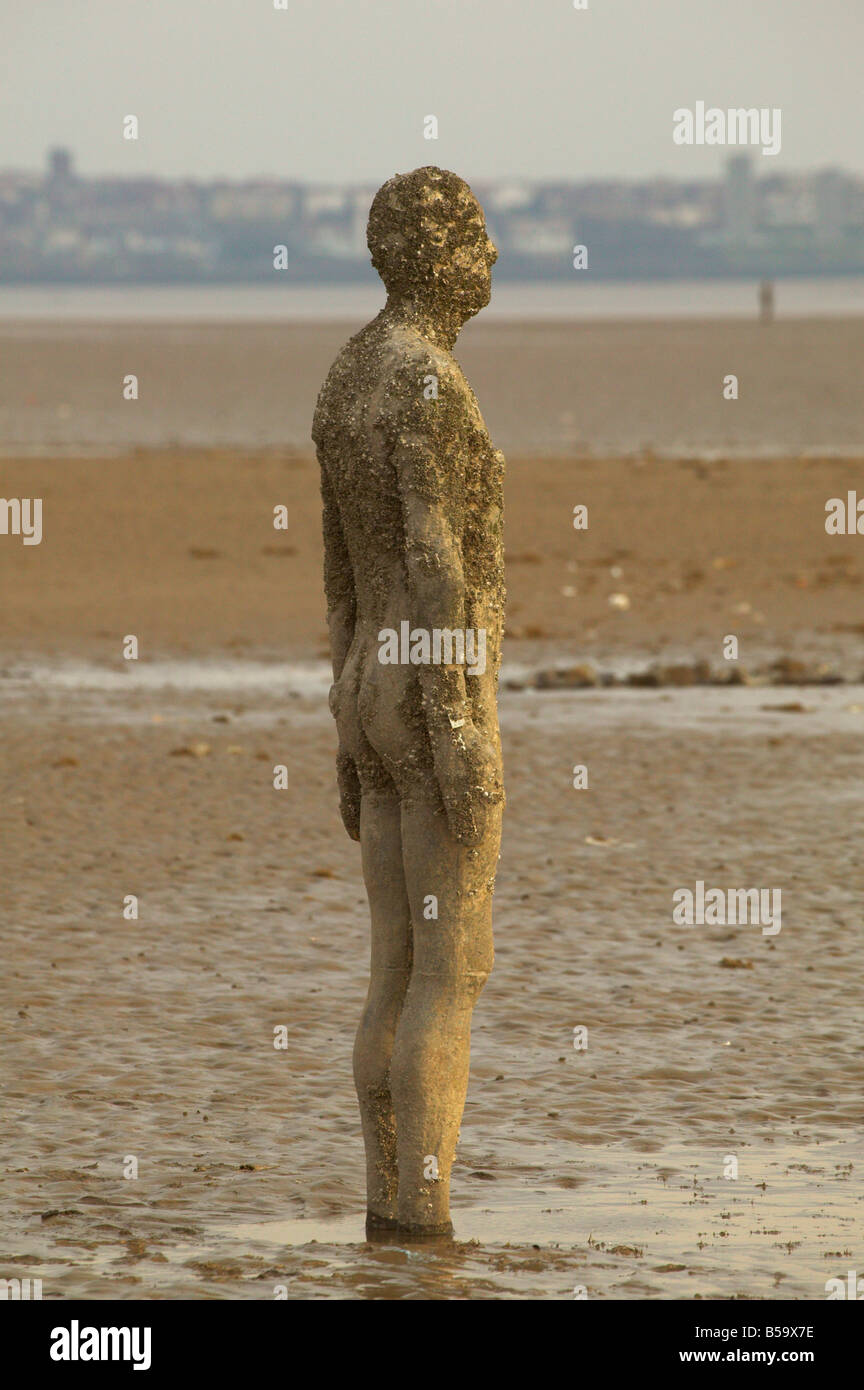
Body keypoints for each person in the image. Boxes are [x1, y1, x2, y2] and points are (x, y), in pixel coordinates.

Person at [312, 166, 505, 1235]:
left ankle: (386, 1202)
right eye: (475, 239)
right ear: (432, 254)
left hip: (364, 683)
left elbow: (340, 576)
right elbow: (433, 563)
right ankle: (423, 1214)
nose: (490, 259)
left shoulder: (347, 377)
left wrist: (346, 723)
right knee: (451, 968)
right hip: (431, 685)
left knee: (393, 959)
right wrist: (462, 725)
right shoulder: (428, 381)